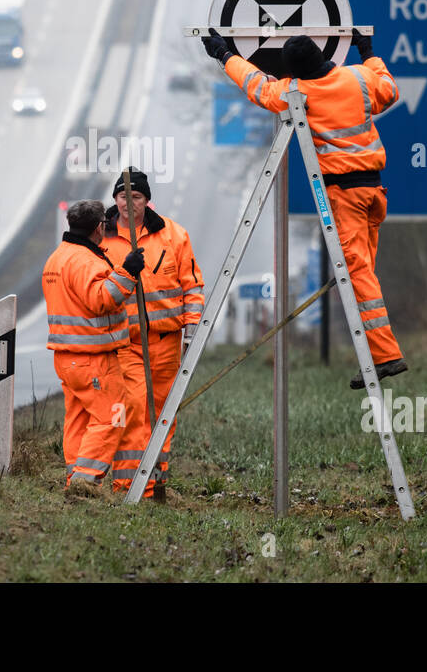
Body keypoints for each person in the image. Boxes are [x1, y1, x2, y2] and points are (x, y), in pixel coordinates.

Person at [202, 28, 408, 389]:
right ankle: (375, 356)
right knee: (365, 274)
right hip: (375, 191)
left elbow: (257, 87)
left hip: (345, 196)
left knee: (357, 274)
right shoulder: (358, 77)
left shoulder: (297, 93)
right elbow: (389, 89)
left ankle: (386, 357)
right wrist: (369, 53)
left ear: (295, 72)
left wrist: (224, 55)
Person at [99, 167, 204, 498]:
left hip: (165, 343)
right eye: (123, 197)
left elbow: (192, 286)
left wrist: (191, 331)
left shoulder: (173, 235)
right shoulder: (101, 237)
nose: (129, 203)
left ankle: (157, 479)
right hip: (123, 343)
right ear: (114, 199)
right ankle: (129, 485)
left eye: (137, 197)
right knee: (132, 409)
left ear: (147, 200)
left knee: (162, 412)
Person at [42, 199, 145, 494]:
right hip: (93, 359)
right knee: (114, 416)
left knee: (80, 419)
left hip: (68, 359)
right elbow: (101, 299)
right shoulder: (85, 261)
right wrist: (127, 272)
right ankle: (84, 481)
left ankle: (75, 475)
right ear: (99, 227)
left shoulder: (58, 258)